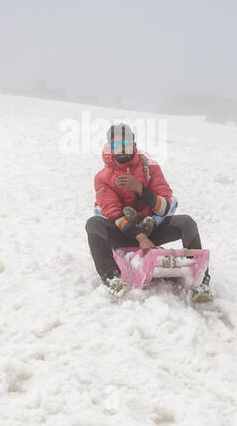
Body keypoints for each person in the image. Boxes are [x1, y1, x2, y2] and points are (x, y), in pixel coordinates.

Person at [85, 123, 212, 301]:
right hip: (124, 232)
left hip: (152, 229)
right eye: (115, 145)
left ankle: (201, 283)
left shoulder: (150, 168)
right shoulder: (103, 177)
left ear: (134, 144)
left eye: (126, 144)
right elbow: (113, 214)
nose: (121, 149)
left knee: (187, 223)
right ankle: (112, 278)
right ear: (109, 147)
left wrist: (140, 190)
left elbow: (165, 206)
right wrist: (140, 237)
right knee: (94, 224)